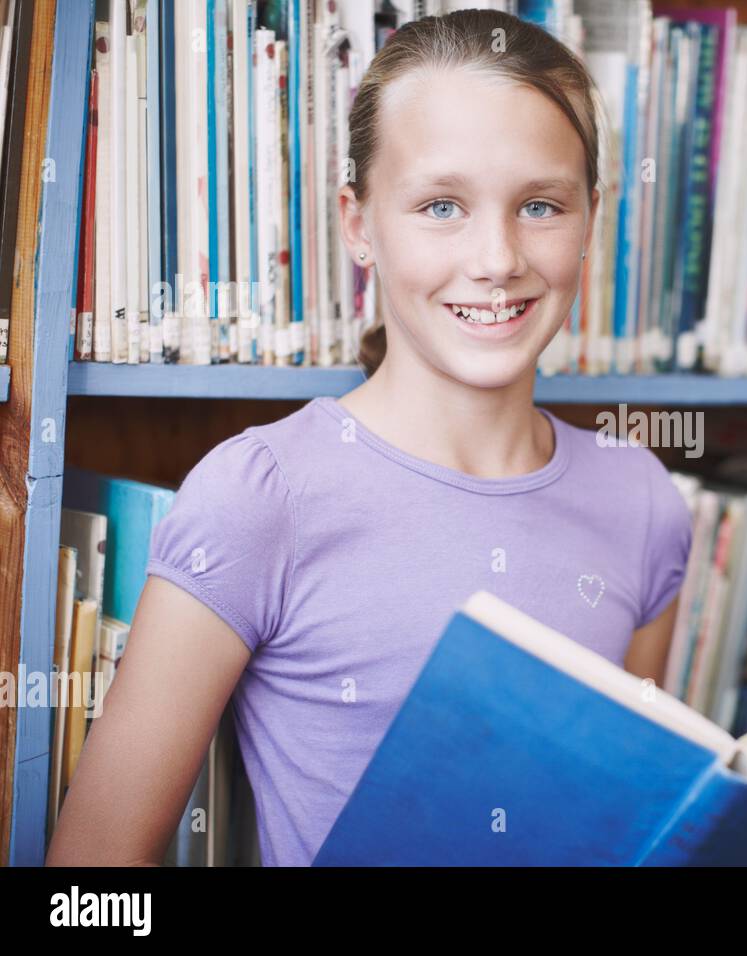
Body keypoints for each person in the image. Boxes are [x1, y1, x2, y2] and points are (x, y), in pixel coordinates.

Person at [47, 9, 692, 867]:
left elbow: (635, 820)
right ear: (358, 224)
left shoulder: (641, 499)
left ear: (590, 219)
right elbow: (86, 885)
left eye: (540, 204)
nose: (497, 257)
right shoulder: (261, 496)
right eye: (441, 206)